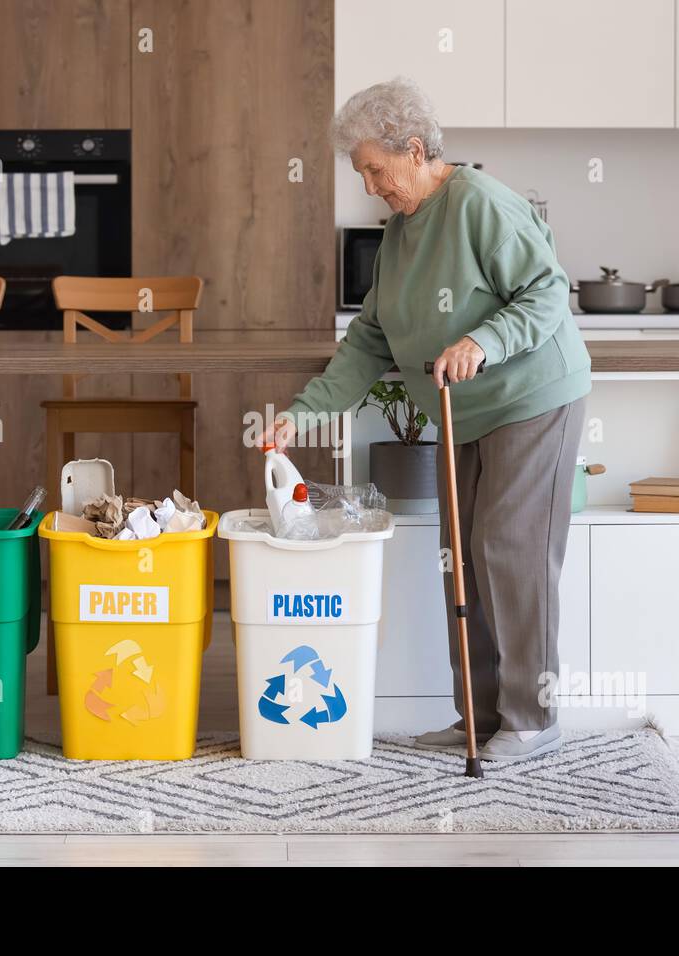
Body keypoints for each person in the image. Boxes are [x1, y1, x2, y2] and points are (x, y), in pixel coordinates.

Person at [261, 77, 590, 761]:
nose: (371, 186)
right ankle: (480, 716)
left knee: (510, 549)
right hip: (461, 413)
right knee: (462, 560)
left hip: (531, 398)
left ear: (414, 150)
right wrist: (302, 415)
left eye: (376, 169)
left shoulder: (478, 202)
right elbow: (370, 340)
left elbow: (547, 291)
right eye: (363, 174)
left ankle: (535, 716)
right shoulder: (401, 232)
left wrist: (483, 342)